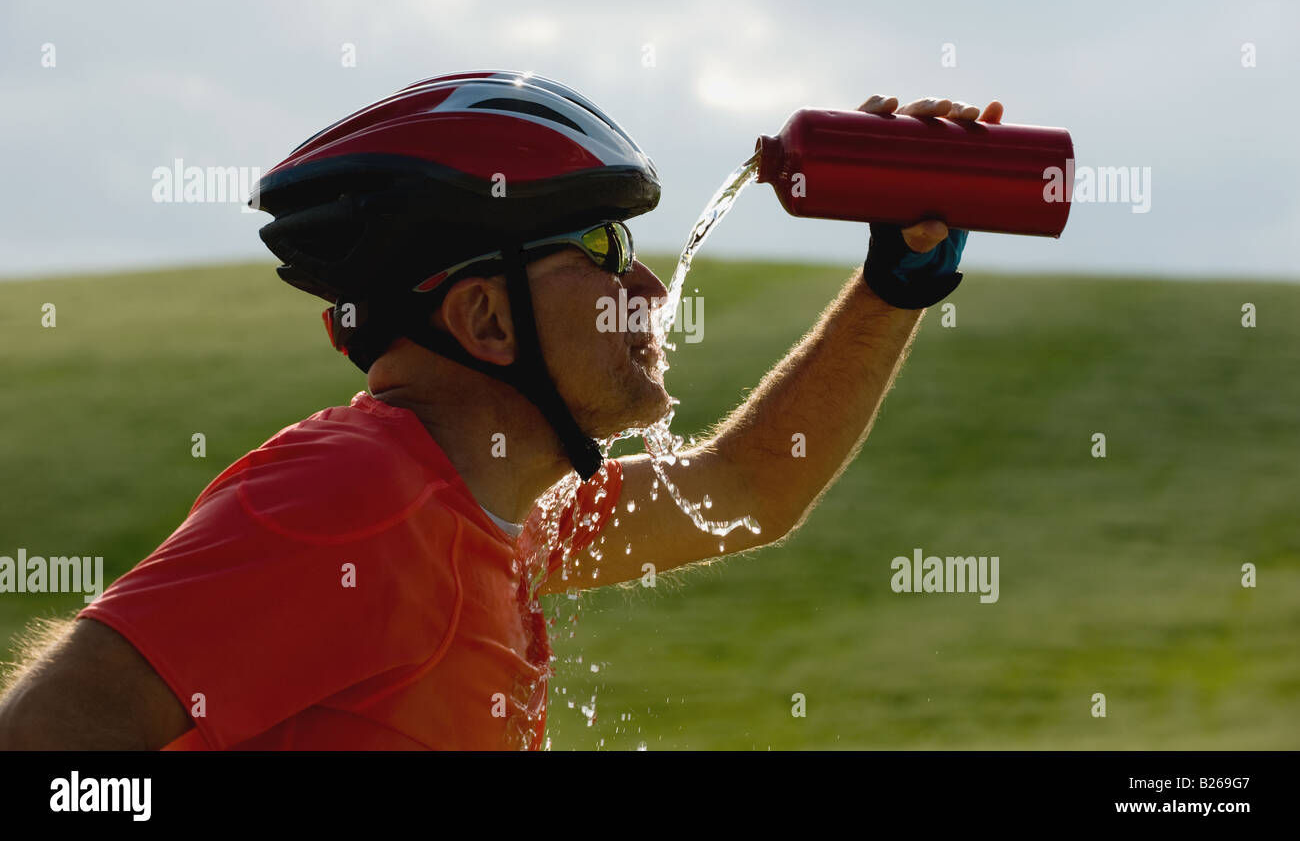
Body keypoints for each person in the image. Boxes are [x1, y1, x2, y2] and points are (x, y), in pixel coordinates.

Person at [0, 72, 1000, 749]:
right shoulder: (360, 496)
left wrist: (895, 287)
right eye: (605, 253)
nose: (648, 291)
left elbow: (744, 491)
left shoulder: (490, 501)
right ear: (484, 316)